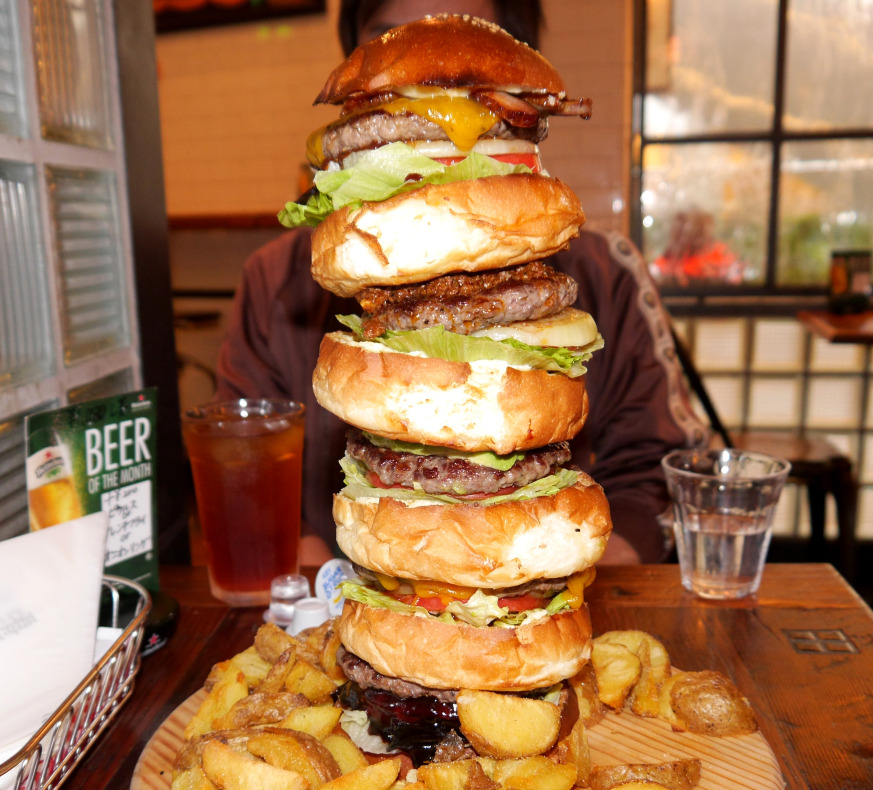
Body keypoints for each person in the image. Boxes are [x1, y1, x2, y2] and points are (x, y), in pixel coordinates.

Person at [216, 0, 706, 568]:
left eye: (466, 70)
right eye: (397, 41)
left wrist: (557, 573)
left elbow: (660, 472)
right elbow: (241, 468)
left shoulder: (608, 273)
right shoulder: (272, 282)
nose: (429, 64)